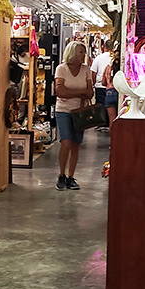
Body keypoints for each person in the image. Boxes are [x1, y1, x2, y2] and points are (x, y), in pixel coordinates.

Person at [55, 40, 93, 190]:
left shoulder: (86, 69)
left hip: (79, 112)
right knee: (66, 142)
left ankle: (71, 176)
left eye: (84, 52)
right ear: (72, 53)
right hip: (63, 110)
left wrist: (71, 93)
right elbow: (59, 92)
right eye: (80, 52)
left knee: (76, 144)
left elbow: (90, 93)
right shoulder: (61, 69)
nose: (83, 55)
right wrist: (80, 92)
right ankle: (61, 174)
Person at [101, 46, 121, 127]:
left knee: (112, 121)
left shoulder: (108, 67)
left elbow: (103, 82)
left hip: (109, 93)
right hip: (120, 92)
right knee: (121, 120)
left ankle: (113, 138)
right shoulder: (123, 68)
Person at [90, 39, 113, 109]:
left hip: (100, 86)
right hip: (112, 87)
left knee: (100, 108)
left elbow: (93, 72)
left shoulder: (98, 58)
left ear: (104, 47)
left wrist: (94, 83)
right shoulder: (114, 57)